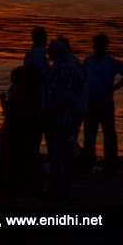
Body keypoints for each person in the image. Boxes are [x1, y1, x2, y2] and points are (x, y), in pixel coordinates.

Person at [44, 38, 85, 197]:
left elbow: (64, 94)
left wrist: (49, 110)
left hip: (59, 116)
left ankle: (59, 186)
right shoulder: (75, 64)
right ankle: (65, 183)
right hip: (70, 114)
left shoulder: (62, 67)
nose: (48, 54)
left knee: (57, 151)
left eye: (51, 51)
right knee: (67, 150)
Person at [0, 65, 43, 195]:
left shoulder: (21, 93)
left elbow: (10, 110)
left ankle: (13, 184)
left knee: (13, 155)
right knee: (27, 154)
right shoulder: (34, 91)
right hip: (26, 127)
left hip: (16, 127)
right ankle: (25, 183)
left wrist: (3, 101)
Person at [82, 34, 123, 175]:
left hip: (104, 100)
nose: (96, 46)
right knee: (89, 132)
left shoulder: (111, 62)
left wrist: (114, 87)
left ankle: (111, 163)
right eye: (95, 43)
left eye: (99, 44)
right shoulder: (88, 61)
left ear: (106, 45)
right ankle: (88, 161)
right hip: (90, 101)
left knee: (109, 133)